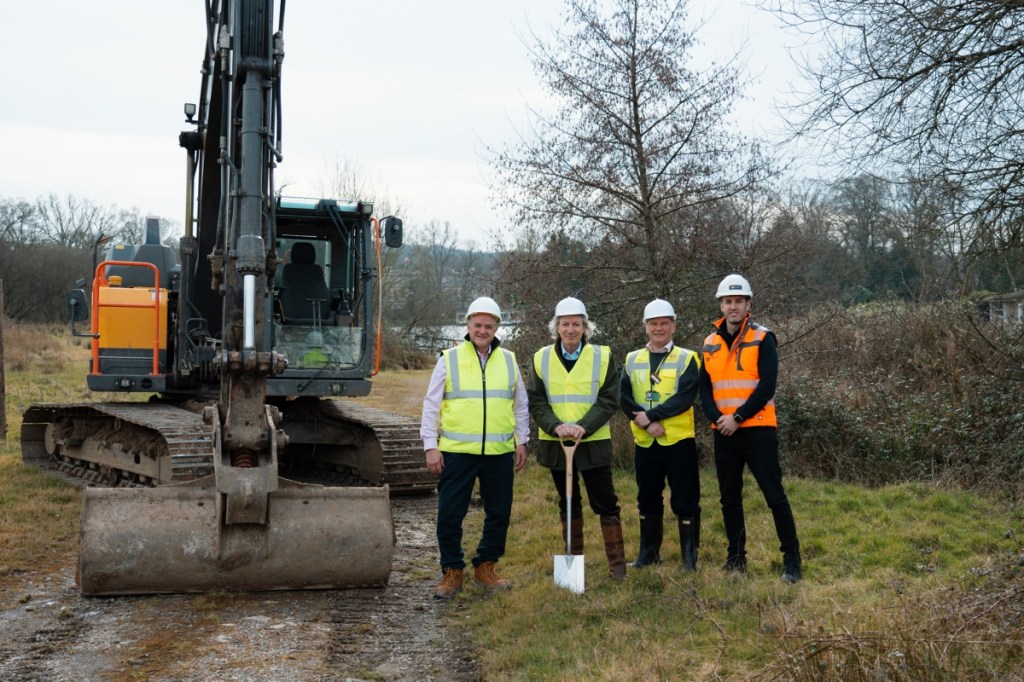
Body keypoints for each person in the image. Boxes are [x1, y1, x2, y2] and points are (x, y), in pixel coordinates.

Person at [420, 296, 529, 599]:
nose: (482, 330)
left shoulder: (508, 359)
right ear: (468, 325)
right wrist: (431, 446)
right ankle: (452, 571)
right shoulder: (449, 358)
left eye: (488, 326)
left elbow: (520, 404)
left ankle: (486, 567)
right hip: (457, 452)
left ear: (496, 328)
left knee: (499, 513)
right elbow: (431, 405)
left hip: (498, 453)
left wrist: (522, 440)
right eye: (477, 325)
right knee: (450, 514)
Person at [698, 274, 802, 583]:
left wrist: (738, 417)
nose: (733, 307)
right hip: (724, 433)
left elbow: (766, 386)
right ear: (721, 304)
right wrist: (718, 418)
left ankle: (792, 561)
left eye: (738, 302)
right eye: (728, 302)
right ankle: (736, 558)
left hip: (757, 430)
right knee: (729, 497)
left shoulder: (763, 337)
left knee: (774, 495)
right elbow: (705, 388)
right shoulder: (709, 343)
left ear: (748, 305)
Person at [527, 297, 626, 580]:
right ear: (556, 328)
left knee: (605, 502)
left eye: (576, 324)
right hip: (556, 444)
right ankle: (574, 567)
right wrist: (555, 425)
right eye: (565, 324)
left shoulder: (603, 356)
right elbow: (536, 400)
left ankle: (617, 568)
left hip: (592, 443)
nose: (570, 329)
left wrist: (584, 426)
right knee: (567, 501)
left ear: (585, 328)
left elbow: (609, 400)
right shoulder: (541, 357)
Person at [620, 299, 702, 571]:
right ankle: (648, 553)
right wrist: (645, 424)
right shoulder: (632, 359)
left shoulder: (687, 358)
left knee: (685, 498)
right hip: (645, 441)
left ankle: (689, 558)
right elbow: (624, 397)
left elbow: (685, 397)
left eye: (664, 323)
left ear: (673, 326)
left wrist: (653, 416)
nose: (658, 328)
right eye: (653, 324)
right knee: (647, 497)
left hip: (678, 440)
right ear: (645, 327)